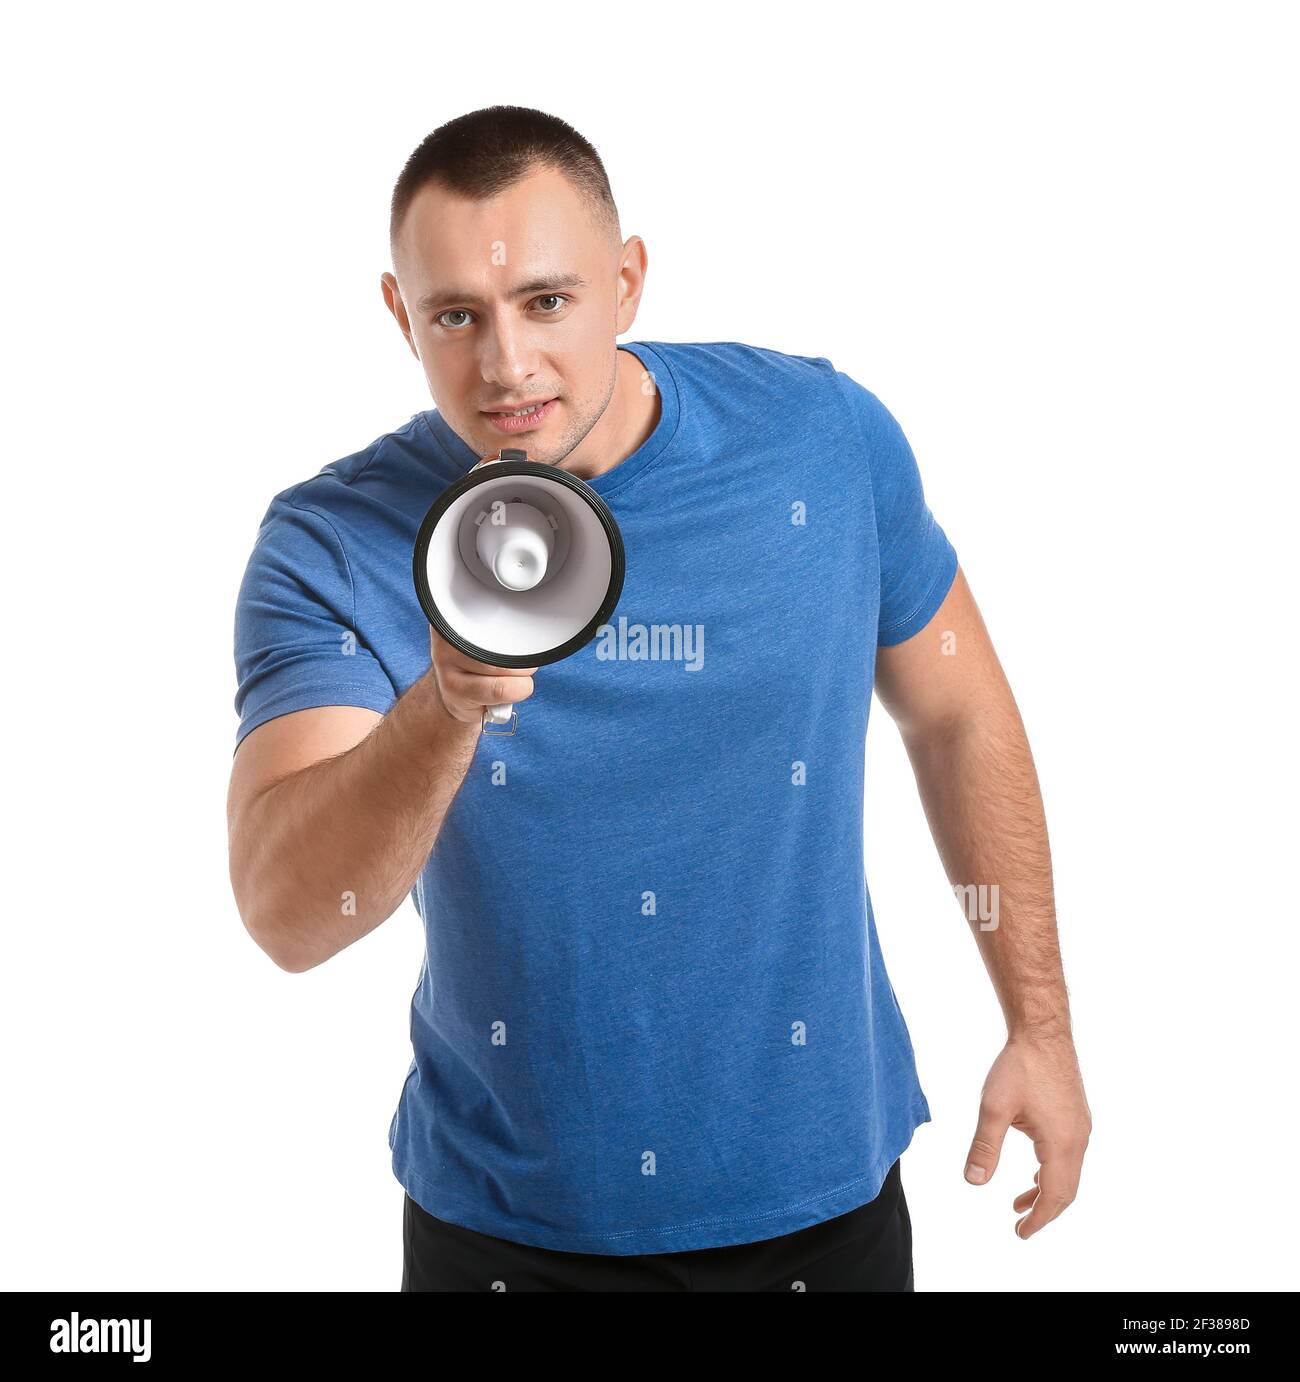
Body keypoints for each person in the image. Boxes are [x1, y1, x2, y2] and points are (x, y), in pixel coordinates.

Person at [227, 105, 1091, 1293]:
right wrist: (445, 702)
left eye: (546, 300)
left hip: (820, 1205)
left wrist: (1038, 1023)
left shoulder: (820, 440)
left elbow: (957, 714)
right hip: (507, 1233)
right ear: (400, 316)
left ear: (626, 283)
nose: (506, 366)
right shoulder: (335, 540)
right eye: (456, 316)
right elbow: (289, 913)